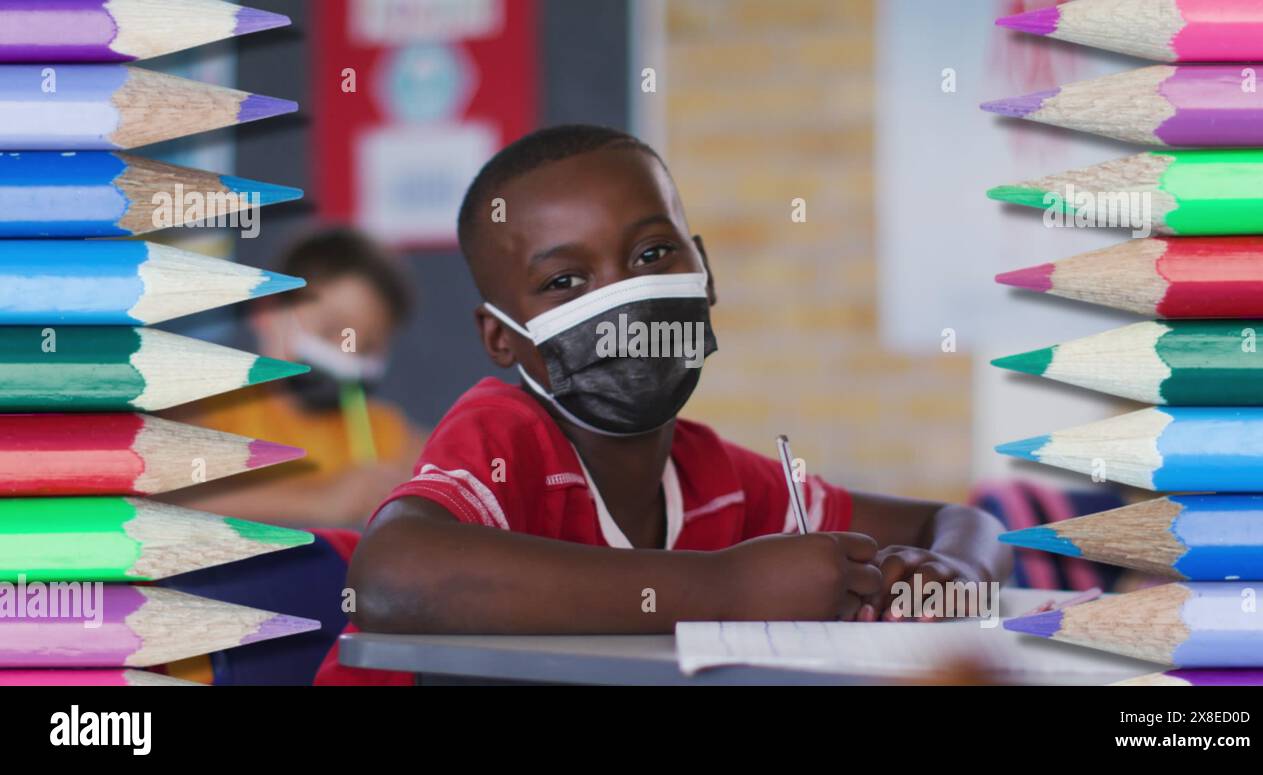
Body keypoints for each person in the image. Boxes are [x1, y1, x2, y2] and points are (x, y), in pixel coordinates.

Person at [317, 125, 1011, 684]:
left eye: (652, 255)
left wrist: (955, 572)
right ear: (501, 336)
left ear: (703, 274)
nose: (624, 298)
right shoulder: (506, 435)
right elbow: (390, 573)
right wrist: (728, 587)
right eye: (565, 279)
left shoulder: (717, 476)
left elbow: (951, 521)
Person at [164, 228, 425, 527]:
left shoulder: (385, 434)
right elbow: (157, 493)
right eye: (330, 329)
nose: (347, 357)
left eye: (367, 345)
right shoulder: (206, 411)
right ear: (270, 315)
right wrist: (320, 501)